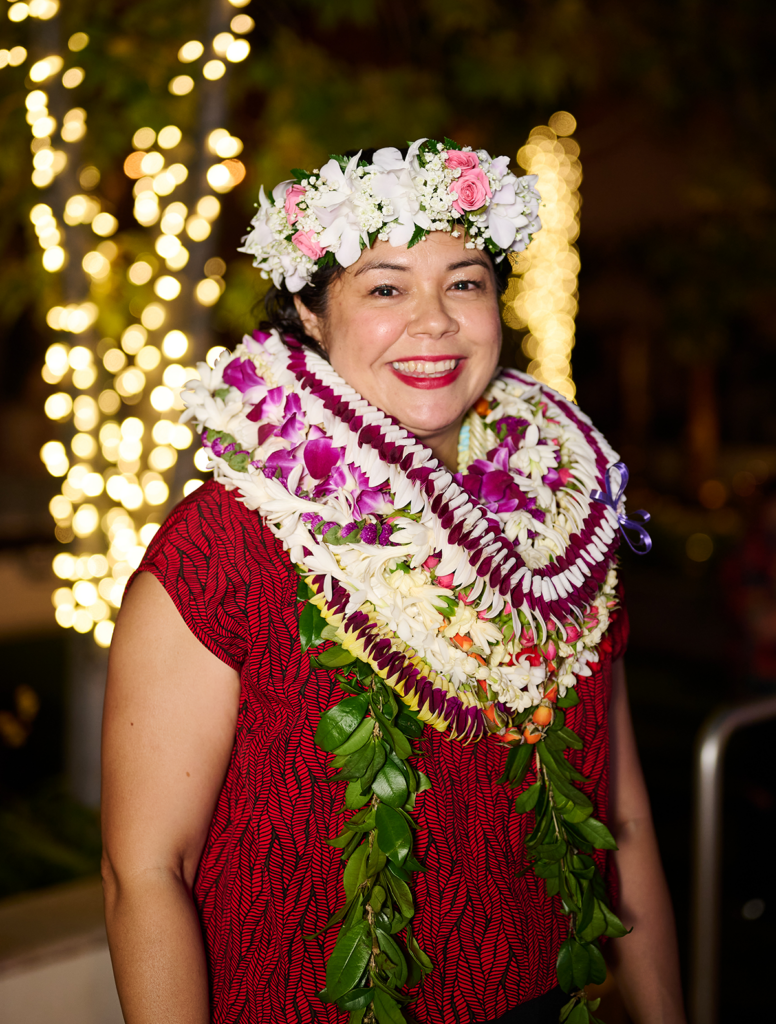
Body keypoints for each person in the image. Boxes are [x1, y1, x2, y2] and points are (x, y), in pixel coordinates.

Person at [101, 139, 686, 1024]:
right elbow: (145, 873)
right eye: (384, 287)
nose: (436, 322)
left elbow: (624, 815)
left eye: (465, 281)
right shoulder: (228, 546)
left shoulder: (560, 530)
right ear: (309, 310)